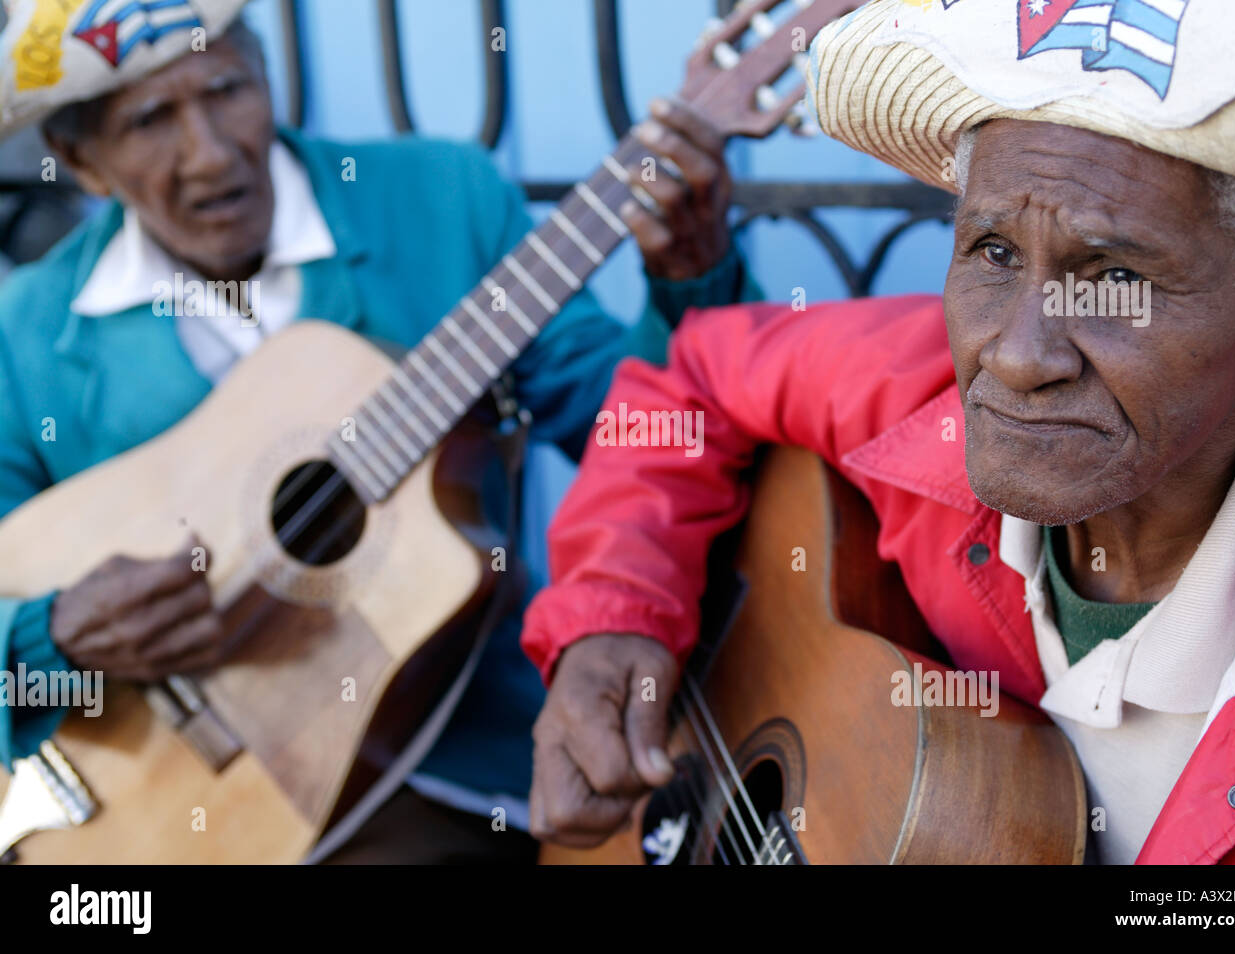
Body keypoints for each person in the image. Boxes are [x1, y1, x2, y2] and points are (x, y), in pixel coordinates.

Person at [523, 0, 1235, 864]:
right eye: (994, 253)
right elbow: (683, 384)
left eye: (1113, 276)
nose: (1013, 356)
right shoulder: (917, 392)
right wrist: (614, 619)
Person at [0, 2, 758, 862]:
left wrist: (690, 286)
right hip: (175, 814)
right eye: (149, 121)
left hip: (464, 764)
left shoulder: (441, 201)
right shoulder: (26, 335)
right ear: (81, 164)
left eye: (226, 90)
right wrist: (45, 634)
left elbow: (628, 429)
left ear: (265, 75)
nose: (211, 151)